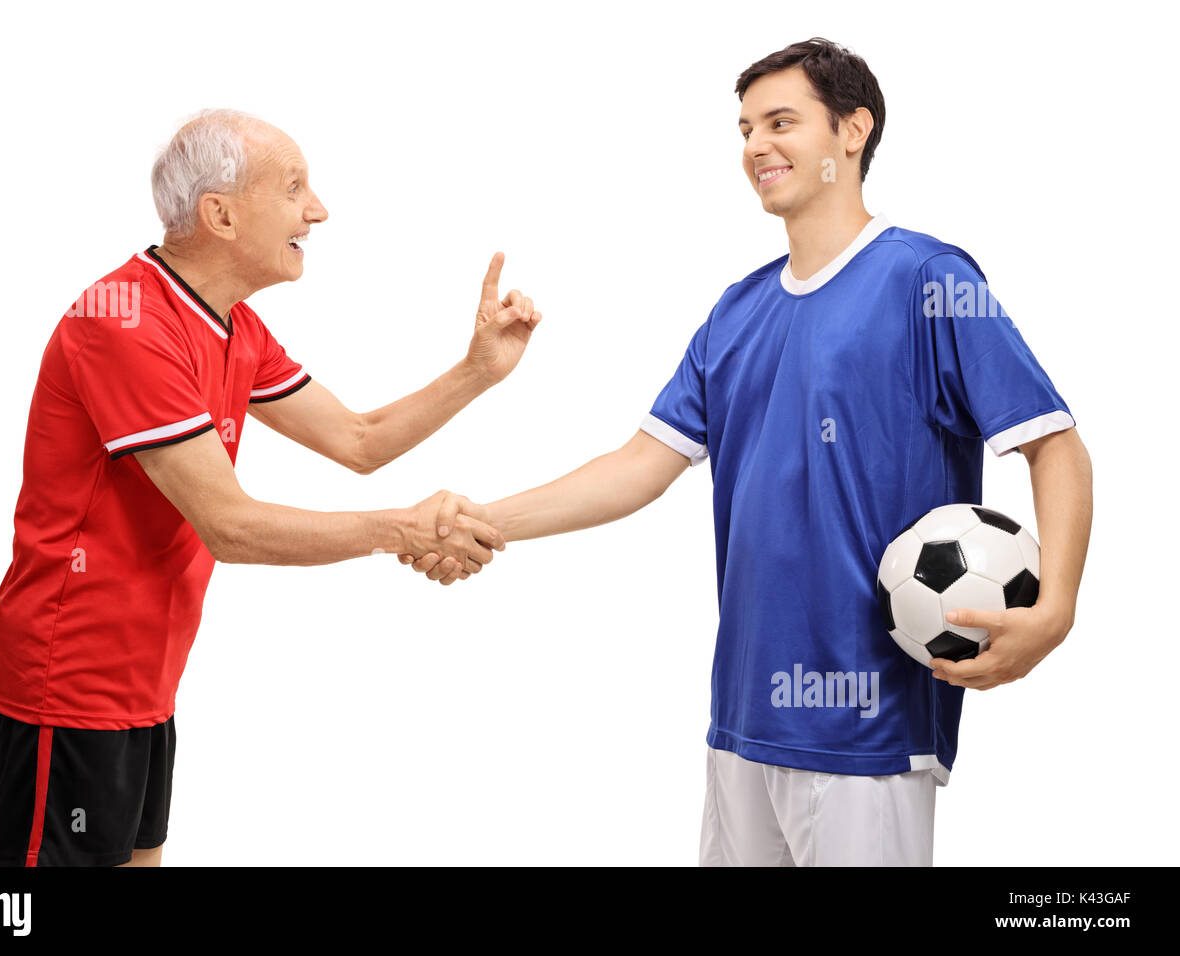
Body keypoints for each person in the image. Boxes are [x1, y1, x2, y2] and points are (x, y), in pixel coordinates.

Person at [401, 38, 1093, 866]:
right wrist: (482, 520)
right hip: (740, 722)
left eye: (781, 121)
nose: (755, 146)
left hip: (863, 730)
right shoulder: (737, 312)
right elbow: (636, 468)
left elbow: (1053, 444)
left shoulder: (928, 279)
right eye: (743, 129)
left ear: (852, 130)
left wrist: (1054, 609)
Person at [0, 109, 538, 866]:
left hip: (145, 686)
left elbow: (359, 440)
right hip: (67, 688)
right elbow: (229, 526)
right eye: (296, 187)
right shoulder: (124, 320)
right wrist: (399, 531)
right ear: (221, 214)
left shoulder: (233, 326)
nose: (319, 209)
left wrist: (476, 371)